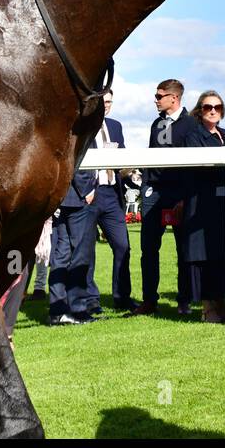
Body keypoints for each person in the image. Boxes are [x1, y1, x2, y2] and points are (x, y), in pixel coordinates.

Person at [132, 79, 196, 316]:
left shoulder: (191, 124)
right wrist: (145, 186)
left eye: (159, 96)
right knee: (148, 249)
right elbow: (151, 156)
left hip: (179, 195)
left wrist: (184, 197)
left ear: (174, 98)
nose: (155, 100)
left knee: (184, 249)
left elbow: (192, 166)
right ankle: (149, 301)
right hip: (153, 193)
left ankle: (184, 301)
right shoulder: (156, 125)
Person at [82, 90, 138, 314]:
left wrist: (129, 172)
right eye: (103, 102)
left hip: (112, 195)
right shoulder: (83, 125)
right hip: (89, 194)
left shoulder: (115, 126)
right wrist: (86, 189)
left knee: (123, 245)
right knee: (87, 249)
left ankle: (122, 297)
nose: (106, 106)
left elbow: (121, 158)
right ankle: (90, 299)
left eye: (109, 102)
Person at [184, 90, 225, 323]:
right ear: (200, 110)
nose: (213, 110)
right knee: (205, 255)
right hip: (203, 205)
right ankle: (208, 307)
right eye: (207, 107)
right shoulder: (194, 135)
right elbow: (200, 168)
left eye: (217, 107)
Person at [48, 162, 101, 325]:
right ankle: (78, 310)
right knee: (80, 254)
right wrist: (87, 189)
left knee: (62, 254)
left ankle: (58, 311)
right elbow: (78, 160)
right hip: (78, 197)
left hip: (64, 197)